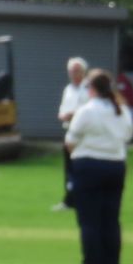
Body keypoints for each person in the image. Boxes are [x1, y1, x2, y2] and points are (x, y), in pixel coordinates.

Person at [65, 69, 133, 264]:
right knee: (110, 220)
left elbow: (70, 141)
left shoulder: (87, 111)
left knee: (89, 221)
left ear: (92, 89)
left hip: (89, 166)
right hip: (116, 166)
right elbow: (128, 135)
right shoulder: (121, 110)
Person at [55, 57, 91, 211]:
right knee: (69, 167)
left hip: (83, 134)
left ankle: (85, 199)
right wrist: (63, 115)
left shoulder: (89, 89)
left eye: (77, 71)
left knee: (83, 167)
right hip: (69, 130)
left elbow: (90, 110)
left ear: (83, 72)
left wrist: (74, 114)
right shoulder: (68, 89)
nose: (73, 74)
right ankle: (69, 200)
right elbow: (62, 110)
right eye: (71, 71)